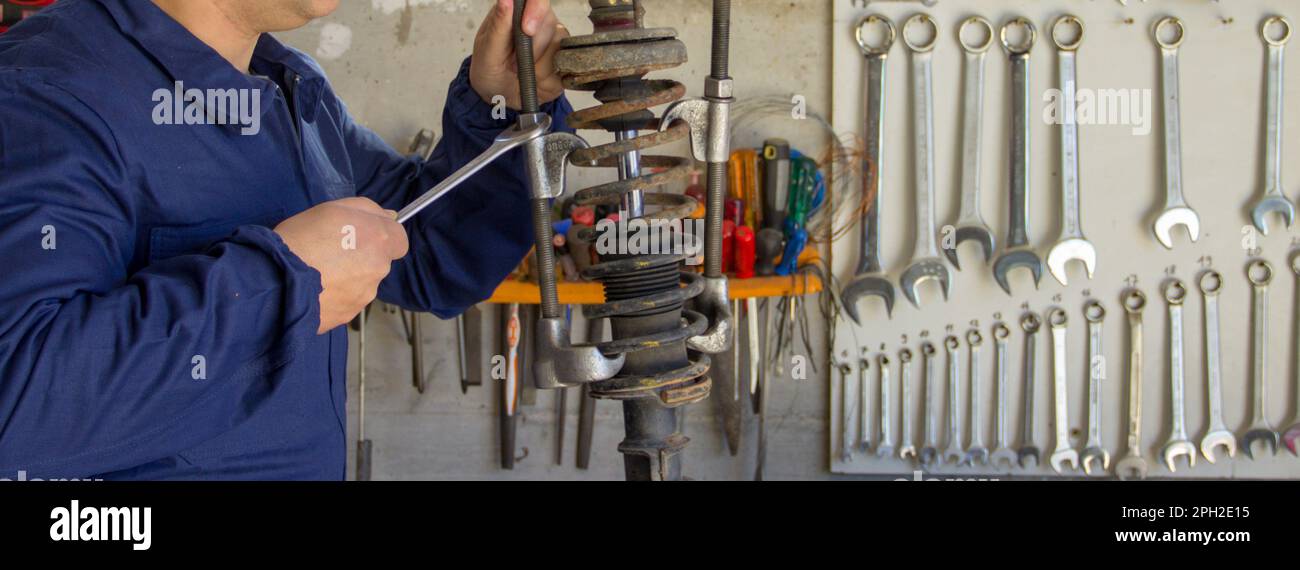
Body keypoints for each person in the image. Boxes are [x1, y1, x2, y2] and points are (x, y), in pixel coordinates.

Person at [0, 0, 571, 479]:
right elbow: (18, 407)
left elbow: (430, 254)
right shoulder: (45, 94)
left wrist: (503, 110)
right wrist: (284, 287)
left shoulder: (287, 86)